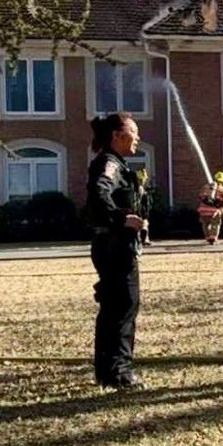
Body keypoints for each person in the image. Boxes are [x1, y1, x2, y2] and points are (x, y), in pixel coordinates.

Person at [87, 113, 146, 389]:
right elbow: (99, 194)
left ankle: (106, 371)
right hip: (115, 246)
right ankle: (119, 373)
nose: (138, 137)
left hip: (112, 245)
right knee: (123, 306)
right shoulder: (109, 164)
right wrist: (121, 218)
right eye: (133, 131)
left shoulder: (115, 164)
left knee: (113, 307)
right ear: (117, 136)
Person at [198, 171, 223, 244]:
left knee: (205, 224)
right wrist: (221, 204)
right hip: (214, 211)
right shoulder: (221, 189)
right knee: (216, 224)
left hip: (203, 210)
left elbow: (200, 196)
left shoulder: (205, 187)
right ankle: (213, 237)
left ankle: (208, 237)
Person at [135, 168, 153, 247]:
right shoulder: (140, 190)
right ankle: (144, 239)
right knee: (144, 225)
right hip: (140, 212)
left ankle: (144, 239)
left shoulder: (140, 189)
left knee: (144, 224)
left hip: (141, 211)